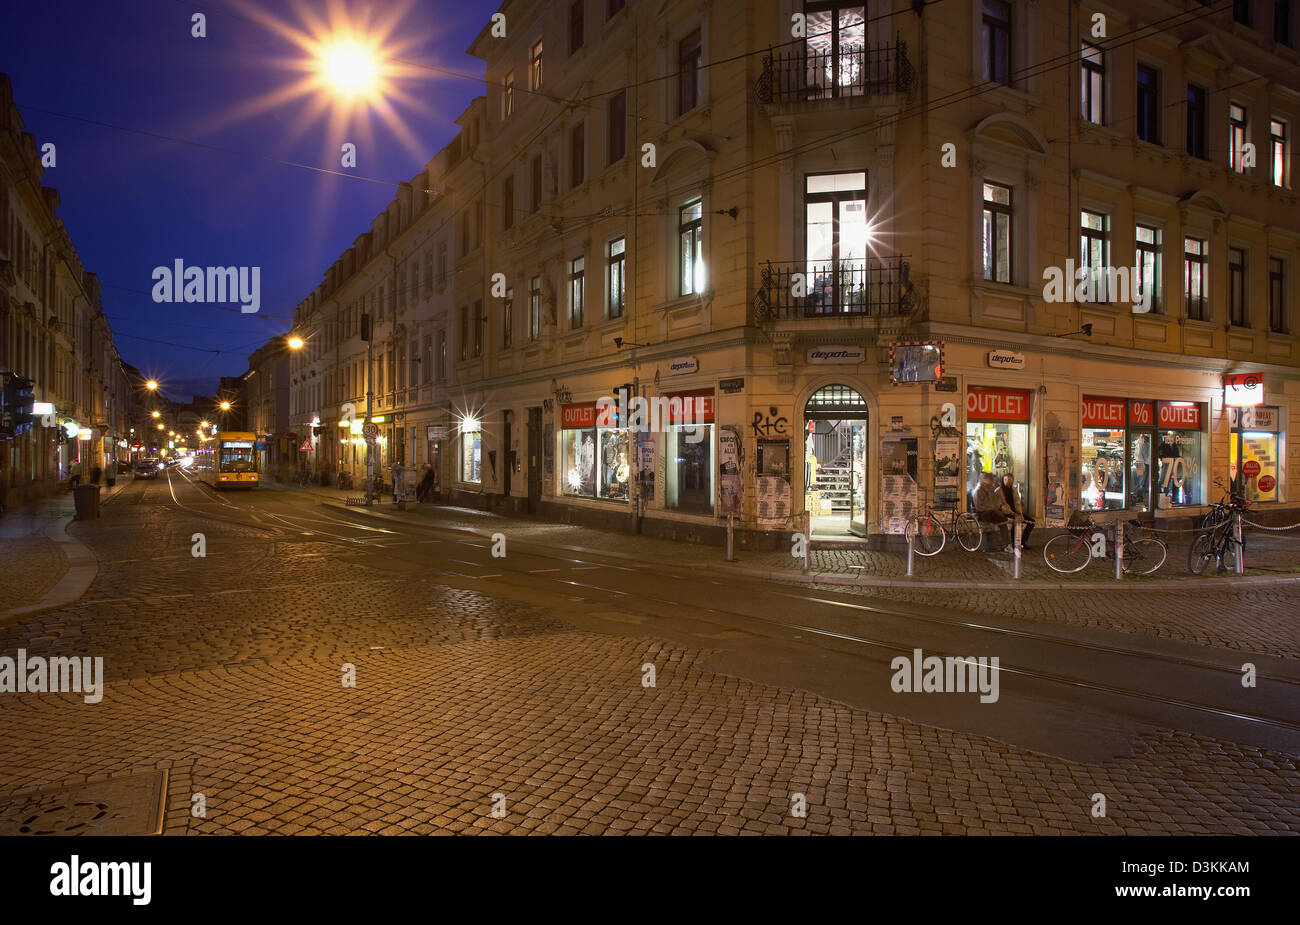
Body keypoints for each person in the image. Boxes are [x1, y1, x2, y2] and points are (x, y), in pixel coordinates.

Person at [974, 471, 1012, 551]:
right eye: (990, 479)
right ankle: (1001, 544)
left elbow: (994, 502)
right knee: (999, 518)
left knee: (1002, 523)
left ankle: (1006, 544)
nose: (992, 481)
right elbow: (979, 506)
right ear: (985, 480)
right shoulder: (979, 490)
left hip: (991, 512)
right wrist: (992, 508)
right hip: (982, 513)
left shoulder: (991, 489)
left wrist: (998, 507)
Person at [1001, 473, 1035, 548]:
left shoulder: (1014, 490)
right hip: (1005, 512)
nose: (1007, 481)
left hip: (1014, 512)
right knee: (1016, 520)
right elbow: (1003, 506)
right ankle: (1014, 543)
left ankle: (1023, 541)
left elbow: (1017, 503)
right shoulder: (999, 491)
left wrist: (1020, 514)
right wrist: (1015, 514)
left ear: (1012, 480)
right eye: (1005, 479)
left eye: (1009, 479)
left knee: (1032, 522)